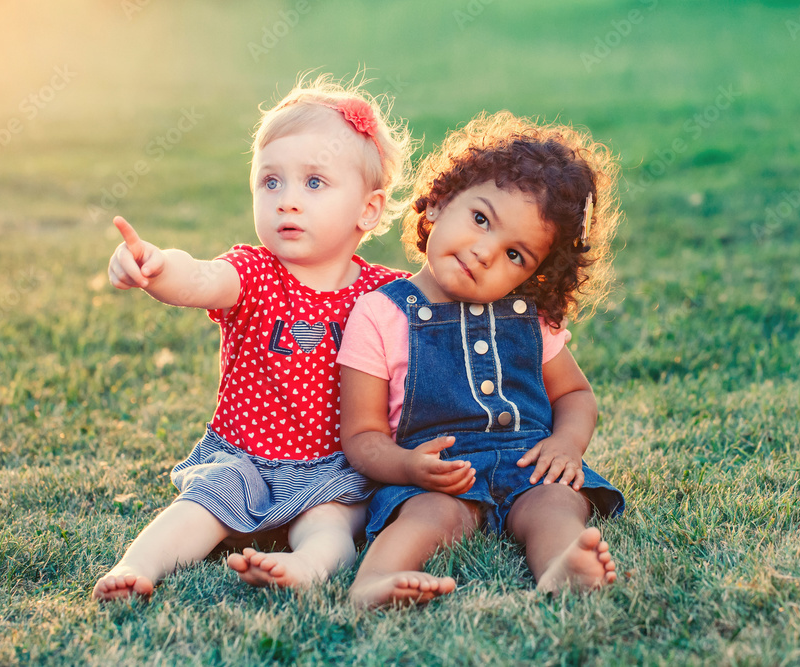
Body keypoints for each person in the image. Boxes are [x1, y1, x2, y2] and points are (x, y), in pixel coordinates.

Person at [93, 75, 413, 600]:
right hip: (244, 459)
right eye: (271, 182)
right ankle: (137, 567)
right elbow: (197, 277)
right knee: (197, 508)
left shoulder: (385, 294)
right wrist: (155, 266)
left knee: (334, 523)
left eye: (314, 183)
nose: (287, 200)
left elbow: (443, 316)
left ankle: (306, 567)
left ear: (369, 210)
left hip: (332, 467)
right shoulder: (254, 272)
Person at [337, 111, 626, 607]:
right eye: (480, 219)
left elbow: (576, 394)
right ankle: (375, 581)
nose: (486, 252)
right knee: (430, 515)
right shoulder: (381, 314)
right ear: (439, 205)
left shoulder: (529, 319)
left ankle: (560, 568)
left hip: (527, 463)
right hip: (438, 472)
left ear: (534, 275)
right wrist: (409, 468)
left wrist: (566, 444)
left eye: (516, 255)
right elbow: (361, 437)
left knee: (557, 502)